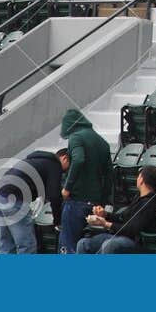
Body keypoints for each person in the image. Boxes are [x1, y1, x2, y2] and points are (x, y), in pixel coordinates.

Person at [76, 166, 156, 254]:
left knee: (110, 245)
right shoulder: (138, 197)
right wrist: (105, 214)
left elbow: (132, 229)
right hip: (121, 237)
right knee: (83, 244)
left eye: (138, 176)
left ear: (141, 180)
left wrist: (105, 224)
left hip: (137, 242)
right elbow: (123, 217)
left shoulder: (151, 203)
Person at [58, 108, 112, 254]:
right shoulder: (103, 143)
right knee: (86, 247)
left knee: (69, 246)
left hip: (76, 202)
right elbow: (109, 177)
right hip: (95, 204)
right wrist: (103, 202)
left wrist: (67, 188)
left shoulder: (76, 137)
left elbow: (79, 159)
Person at [0, 148, 66, 255]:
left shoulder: (35, 160)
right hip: (14, 199)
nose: (65, 172)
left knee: (7, 242)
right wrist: (58, 220)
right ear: (65, 158)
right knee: (27, 245)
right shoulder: (54, 165)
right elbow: (54, 196)